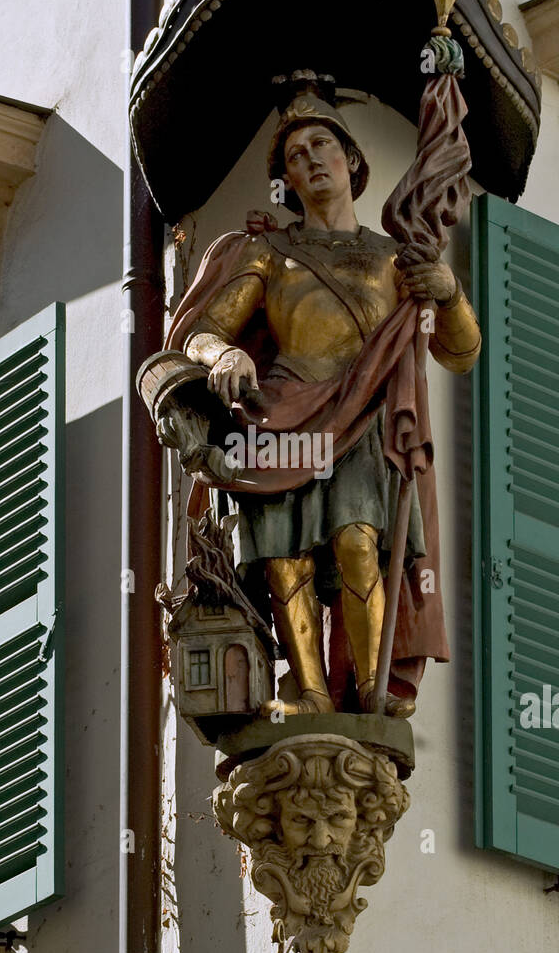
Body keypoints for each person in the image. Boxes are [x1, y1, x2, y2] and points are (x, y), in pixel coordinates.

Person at [174, 73, 481, 719]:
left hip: (364, 412)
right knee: (285, 559)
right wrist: (224, 354)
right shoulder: (272, 252)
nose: (311, 159)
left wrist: (448, 293)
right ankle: (311, 691)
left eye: (322, 145)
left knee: (357, 541)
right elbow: (204, 332)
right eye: (295, 154)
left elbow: (460, 351)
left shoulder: (395, 259)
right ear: (286, 179)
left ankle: (366, 691)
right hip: (283, 411)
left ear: (352, 160)